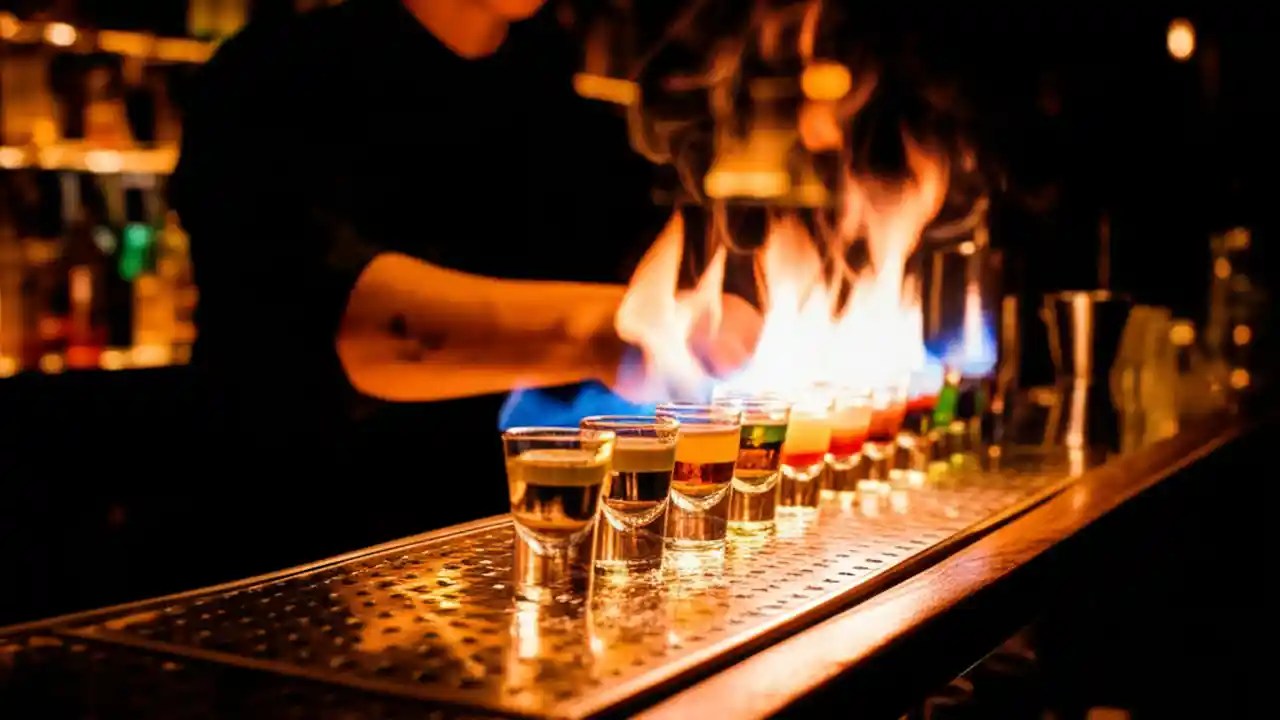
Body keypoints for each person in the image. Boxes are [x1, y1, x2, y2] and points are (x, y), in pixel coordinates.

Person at [170, 0, 758, 554]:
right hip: (292, 546)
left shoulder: (557, 93)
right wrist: (628, 332)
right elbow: (358, 325)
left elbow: (683, 275)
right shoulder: (276, 72)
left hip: (514, 549)